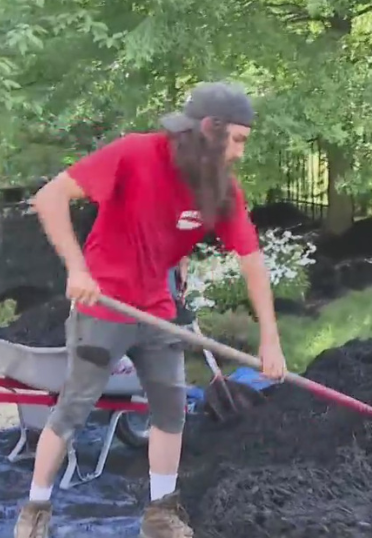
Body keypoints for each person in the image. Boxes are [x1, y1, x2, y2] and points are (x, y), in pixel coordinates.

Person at [16, 81, 289, 538]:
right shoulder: (134, 153)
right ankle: (35, 512)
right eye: (238, 139)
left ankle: (160, 514)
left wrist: (270, 339)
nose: (240, 152)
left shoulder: (220, 189)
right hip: (102, 306)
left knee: (170, 410)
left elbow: (252, 261)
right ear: (210, 128)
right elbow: (50, 197)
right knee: (73, 410)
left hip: (157, 311)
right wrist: (77, 270)